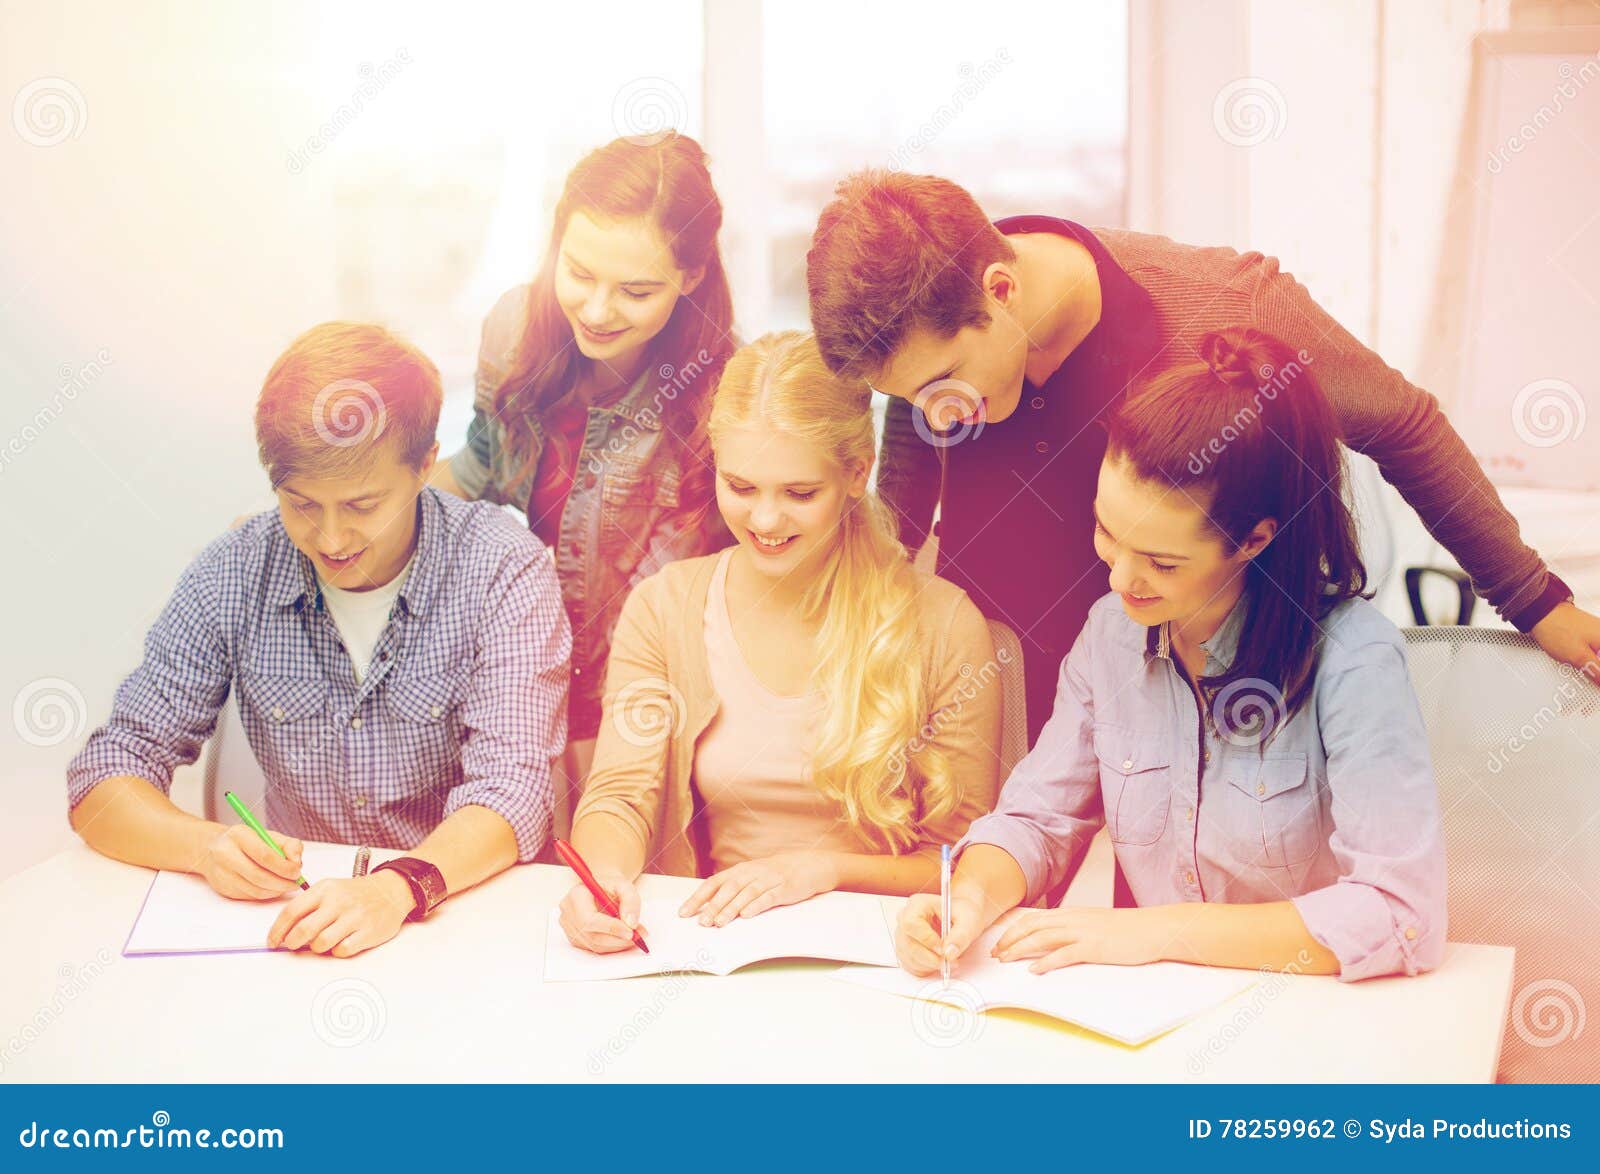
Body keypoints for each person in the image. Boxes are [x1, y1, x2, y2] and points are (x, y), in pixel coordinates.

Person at [806, 169, 1600, 744]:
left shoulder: (1225, 310)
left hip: (1209, 735)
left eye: (943, 382)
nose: (937, 410)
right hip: (1016, 738)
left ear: (1001, 292)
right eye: (905, 396)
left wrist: (1536, 601)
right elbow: (903, 509)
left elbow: (1404, 426)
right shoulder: (930, 347)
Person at [894, 327, 1446, 982]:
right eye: (1105, 531)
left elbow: (1400, 913)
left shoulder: (1353, 661)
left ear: (1254, 540)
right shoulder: (1111, 634)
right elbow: (1036, 820)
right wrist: (970, 897)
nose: (1120, 579)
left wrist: (1158, 932)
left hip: (1305, 1019)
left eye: (1161, 561)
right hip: (1153, 1021)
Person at [67, 322, 571, 957]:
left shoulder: (503, 567)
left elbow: (513, 792)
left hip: (463, 920)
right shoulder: (236, 569)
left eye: (362, 506)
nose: (331, 540)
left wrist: (394, 890)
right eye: (302, 504)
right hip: (301, 926)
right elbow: (104, 776)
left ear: (424, 465)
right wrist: (207, 847)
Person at [557, 332, 1002, 953]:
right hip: (714, 946)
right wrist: (603, 878)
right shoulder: (664, 608)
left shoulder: (944, 625)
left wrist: (820, 871)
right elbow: (619, 795)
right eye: (741, 487)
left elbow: (964, 860)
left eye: (798, 493)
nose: (764, 521)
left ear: (856, 473)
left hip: (885, 956)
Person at [430, 134, 737, 844]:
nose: (596, 310)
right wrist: (360, 516)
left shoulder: (720, 390)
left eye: (636, 290)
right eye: (578, 272)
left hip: (641, 690)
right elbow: (480, 466)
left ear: (690, 277)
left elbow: (681, 605)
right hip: (516, 662)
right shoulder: (513, 325)